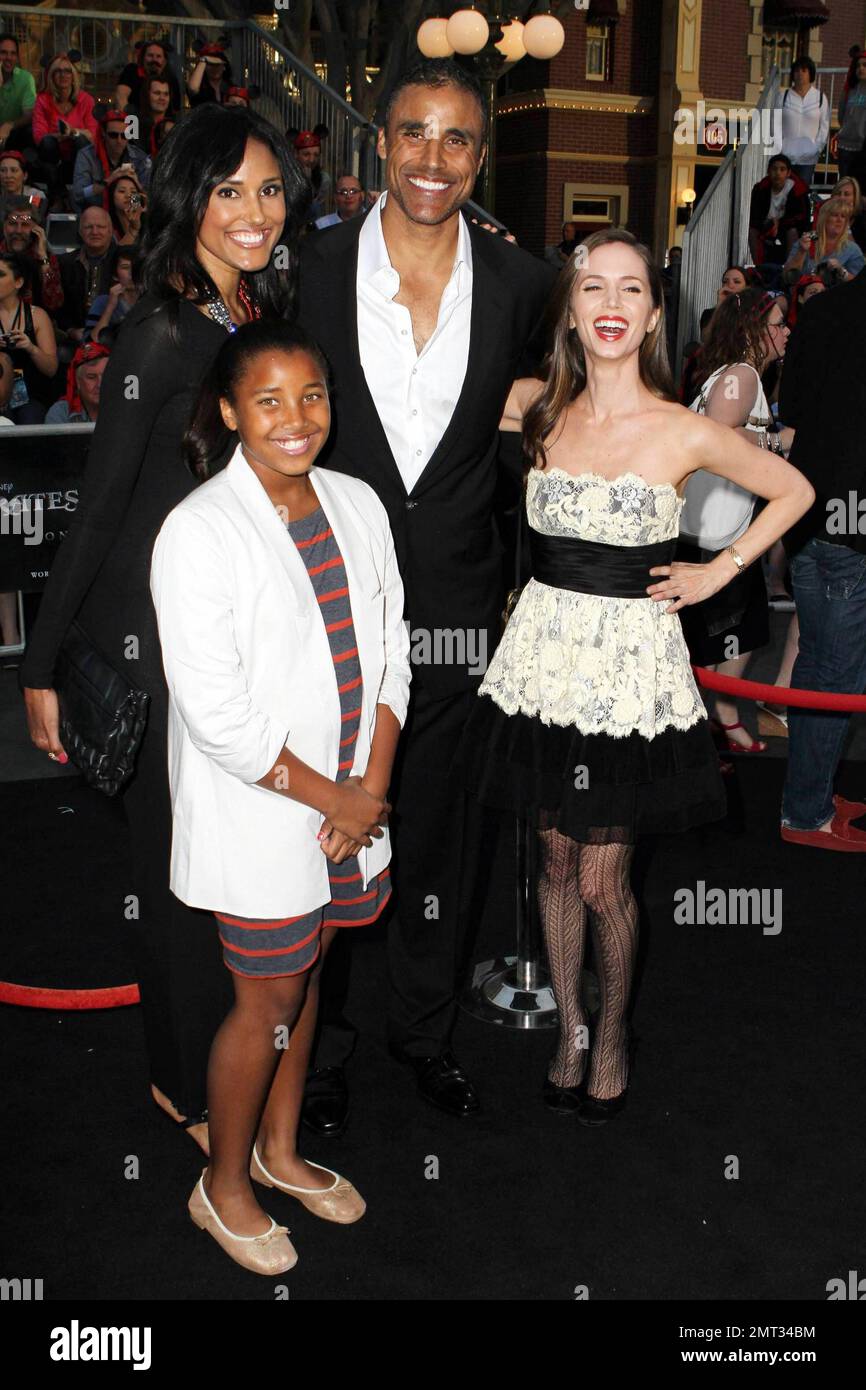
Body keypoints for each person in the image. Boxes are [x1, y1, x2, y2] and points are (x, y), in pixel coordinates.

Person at [458, 229, 814, 1122]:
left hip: (628, 673)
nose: (611, 306)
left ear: (654, 313)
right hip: (543, 661)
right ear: (571, 312)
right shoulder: (534, 407)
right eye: (592, 290)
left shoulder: (683, 427)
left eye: (630, 291)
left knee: (602, 879)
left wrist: (716, 571)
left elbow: (795, 491)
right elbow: (431, 390)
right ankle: (568, 1027)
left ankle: (612, 1031)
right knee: (551, 856)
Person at [20, 104, 311, 1156]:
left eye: (269, 189)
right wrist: (43, 662)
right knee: (176, 880)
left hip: (229, 643)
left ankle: (233, 1068)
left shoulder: (255, 320)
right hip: (154, 652)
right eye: (228, 190)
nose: (252, 211)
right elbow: (96, 507)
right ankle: (180, 1088)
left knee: (227, 872)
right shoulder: (160, 332)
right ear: (188, 197)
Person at [297, 57, 555, 1127]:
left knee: (441, 827)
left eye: (455, 140)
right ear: (381, 144)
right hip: (326, 604)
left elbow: (534, 438)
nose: (432, 160)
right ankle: (315, 1052)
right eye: (413, 134)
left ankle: (423, 1029)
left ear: (478, 155)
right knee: (316, 823)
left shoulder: (520, 285)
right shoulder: (308, 273)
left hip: (455, 611)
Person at [150, 319, 409, 1272]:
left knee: (310, 987)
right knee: (264, 1002)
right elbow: (217, 714)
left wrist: (369, 790)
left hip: (352, 808)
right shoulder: (200, 530)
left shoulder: (358, 503)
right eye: (268, 400)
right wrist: (330, 798)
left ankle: (281, 1150)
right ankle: (220, 1189)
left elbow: (394, 656)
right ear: (228, 412)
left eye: (312, 396)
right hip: (266, 810)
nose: (296, 419)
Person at [676, 288, 794, 754]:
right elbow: (719, 431)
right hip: (716, 530)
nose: (787, 332)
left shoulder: (730, 375)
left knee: (728, 627)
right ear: (754, 329)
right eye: (779, 323)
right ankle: (723, 715)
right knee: (743, 627)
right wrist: (776, 443)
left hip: (707, 525)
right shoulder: (742, 374)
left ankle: (706, 718)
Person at [777, 265, 866, 851]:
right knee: (833, 677)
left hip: (806, 514)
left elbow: (793, 408)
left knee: (816, 667)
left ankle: (807, 795)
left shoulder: (825, 309)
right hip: (851, 532)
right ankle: (806, 813)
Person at [0, 249, 58, 422]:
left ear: (18, 282)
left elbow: (51, 369)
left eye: (1, 275)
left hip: (31, 396)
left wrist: (30, 348)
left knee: (30, 416)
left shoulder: (37, 316)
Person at [32, 54, 98, 199]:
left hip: (77, 156)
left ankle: (80, 195)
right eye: (58, 71)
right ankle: (58, 198)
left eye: (68, 71)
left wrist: (72, 132)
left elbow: (93, 134)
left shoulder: (86, 100)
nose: (63, 75)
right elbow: (39, 137)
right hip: (52, 156)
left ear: (74, 75)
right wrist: (60, 136)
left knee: (81, 140)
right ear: (51, 76)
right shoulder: (42, 100)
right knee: (48, 142)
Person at [71, 109, 150, 215]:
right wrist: (108, 181)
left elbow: (148, 200)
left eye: (124, 136)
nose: (119, 140)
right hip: (96, 213)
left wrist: (137, 186)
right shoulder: (86, 155)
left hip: (127, 214)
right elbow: (78, 194)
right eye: (113, 135)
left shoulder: (140, 158)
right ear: (103, 133)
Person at [57, 206, 117, 341]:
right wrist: (71, 331)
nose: (95, 232)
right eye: (88, 227)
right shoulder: (65, 262)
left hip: (115, 335)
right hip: (77, 336)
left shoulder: (123, 262)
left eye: (100, 226)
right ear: (80, 231)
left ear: (110, 230)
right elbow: (60, 307)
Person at [748, 154, 810, 274]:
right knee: (752, 231)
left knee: (792, 232)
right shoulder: (760, 189)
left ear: (788, 173)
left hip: (788, 226)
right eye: (774, 169)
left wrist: (779, 223)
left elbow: (801, 218)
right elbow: (754, 215)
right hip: (766, 225)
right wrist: (769, 224)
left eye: (782, 169)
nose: (778, 173)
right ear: (768, 171)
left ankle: (789, 270)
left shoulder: (798, 191)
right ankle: (759, 268)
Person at [783, 196, 865, 287]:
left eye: (843, 216)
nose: (839, 220)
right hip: (805, 297)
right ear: (824, 218)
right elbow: (787, 278)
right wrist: (801, 251)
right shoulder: (806, 241)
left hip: (836, 298)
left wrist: (842, 272)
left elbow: (860, 286)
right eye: (835, 215)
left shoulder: (852, 249)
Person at [773, 57, 830, 187]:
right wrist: (780, 147)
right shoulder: (783, 96)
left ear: (810, 73)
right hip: (786, 157)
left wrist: (817, 148)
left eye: (804, 70)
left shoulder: (820, 98)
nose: (800, 74)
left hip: (808, 159)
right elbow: (775, 124)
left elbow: (824, 126)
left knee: (801, 193)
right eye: (797, 70)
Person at [0, 199, 62, 312]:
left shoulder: (45, 257)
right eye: (13, 223)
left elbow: (54, 302)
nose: (18, 231)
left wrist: (43, 259)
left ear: (36, 229)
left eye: (25, 225)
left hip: (36, 322)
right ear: (4, 227)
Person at [85, 243, 139, 343]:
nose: (132, 273)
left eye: (136, 267)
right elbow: (90, 343)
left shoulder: (151, 300)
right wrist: (110, 307)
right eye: (125, 267)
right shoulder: (102, 302)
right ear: (115, 275)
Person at [45, 339, 109, 422]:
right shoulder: (61, 412)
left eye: (106, 376)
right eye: (91, 377)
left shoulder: (127, 407)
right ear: (77, 382)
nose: (100, 384)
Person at [115, 39, 181, 114]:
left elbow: (176, 111)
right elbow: (120, 98)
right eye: (150, 55)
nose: (154, 60)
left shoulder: (171, 80)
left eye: (158, 56)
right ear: (143, 58)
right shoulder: (132, 71)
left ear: (164, 61)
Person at [833, 51, 866, 181]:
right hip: (845, 146)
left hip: (863, 147)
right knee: (846, 185)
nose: (861, 68)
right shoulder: (848, 90)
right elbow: (841, 116)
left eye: (864, 65)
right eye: (858, 66)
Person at [0, 33, 36, 153]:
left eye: (13, 53)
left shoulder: (25, 78)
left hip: (13, 134)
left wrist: (10, 125)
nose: (8, 57)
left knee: (30, 131)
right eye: (4, 53)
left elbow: (29, 115)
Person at [128, 74, 174, 157]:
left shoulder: (175, 125)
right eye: (157, 93)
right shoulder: (134, 125)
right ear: (146, 96)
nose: (162, 98)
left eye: (166, 94)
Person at [294, 130, 331, 223]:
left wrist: (309, 181)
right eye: (306, 154)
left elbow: (315, 205)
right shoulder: (285, 174)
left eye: (316, 155)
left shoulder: (324, 179)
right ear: (296, 154)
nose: (311, 160)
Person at [0, 149, 45, 222]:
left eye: (14, 170)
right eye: (3, 170)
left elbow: (33, 219)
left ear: (25, 175)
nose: (8, 175)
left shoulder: (35, 195)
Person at [108, 172, 147, 246]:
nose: (128, 195)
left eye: (133, 192)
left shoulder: (147, 221)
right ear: (112, 196)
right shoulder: (107, 225)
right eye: (122, 191)